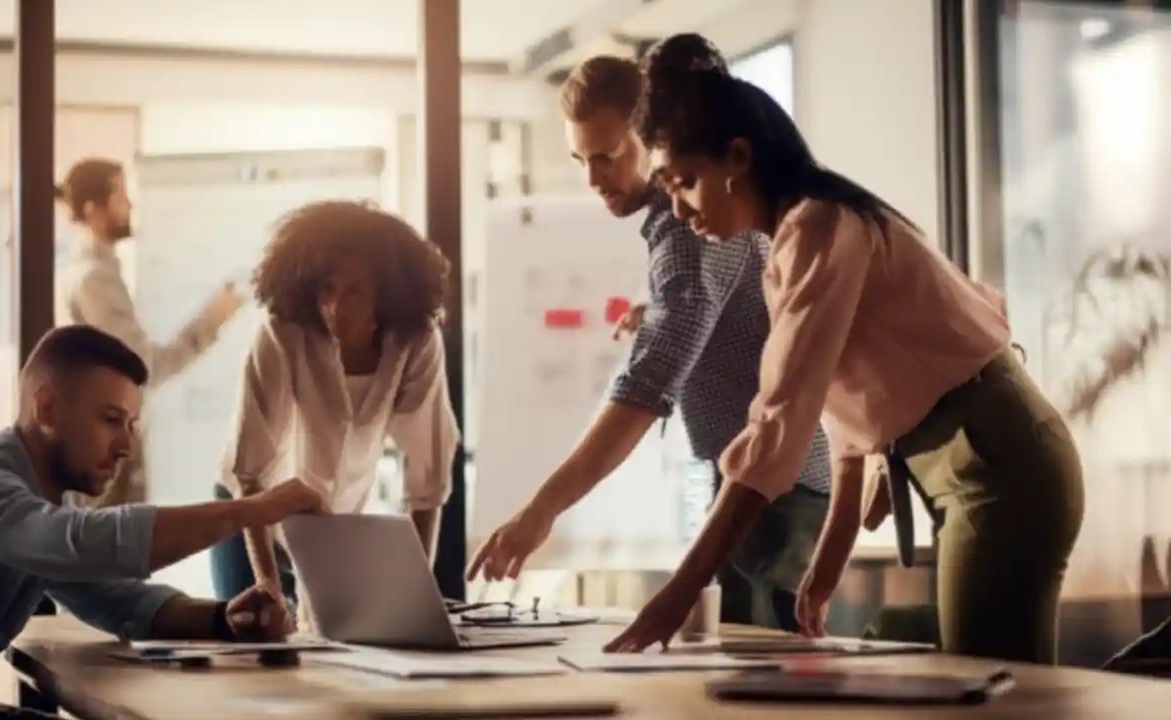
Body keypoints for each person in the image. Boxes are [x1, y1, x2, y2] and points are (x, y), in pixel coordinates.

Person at [603, 34, 1084, 664]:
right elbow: (846, 433)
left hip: (1000, 465)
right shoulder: (790, 248)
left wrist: (681, 589)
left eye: (684, 181)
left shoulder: (822, 227)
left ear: (738, 158)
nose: (678, 206)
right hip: (983, 464)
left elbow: (779, 423)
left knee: (998, 692)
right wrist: (825, 570)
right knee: (995, 686)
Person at [467, 54, 831, 631]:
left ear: (652, 139)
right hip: (755, 476)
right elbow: (726, 306)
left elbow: (646, 388)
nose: (593, 180)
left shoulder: (690, 231)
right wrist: (660, 314)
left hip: (775, 490)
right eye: (581, 160)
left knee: (759, 682)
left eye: (608, 156)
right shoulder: (682, 224)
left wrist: (540, 512)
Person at [0, 325, 329, 718]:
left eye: (132, 425)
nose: (125, 446)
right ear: (46, 409)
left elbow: (122, 602)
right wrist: (254, 508)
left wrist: (225, 619)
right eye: (110, 420)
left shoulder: (38, 513)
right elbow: (80, 543)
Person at [209, 201, 460, 616]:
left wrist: (418, 590)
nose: (336, 306)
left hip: (332, 527)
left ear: (386, 295)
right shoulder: (282, 333)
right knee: (251, 643)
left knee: (332, 654)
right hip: (247, 511)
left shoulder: (414, 342)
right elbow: (247, 471)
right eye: (327, 288)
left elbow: (428, 475)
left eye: (354, 291)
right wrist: (267, 582)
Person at [57, 158, 244, 506]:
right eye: (120, 196)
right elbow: (144, 367)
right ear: (93, 209)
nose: (130, 205)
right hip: (103, 457)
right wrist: (212, 320)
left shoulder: (91, 272)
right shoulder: (94, 279)